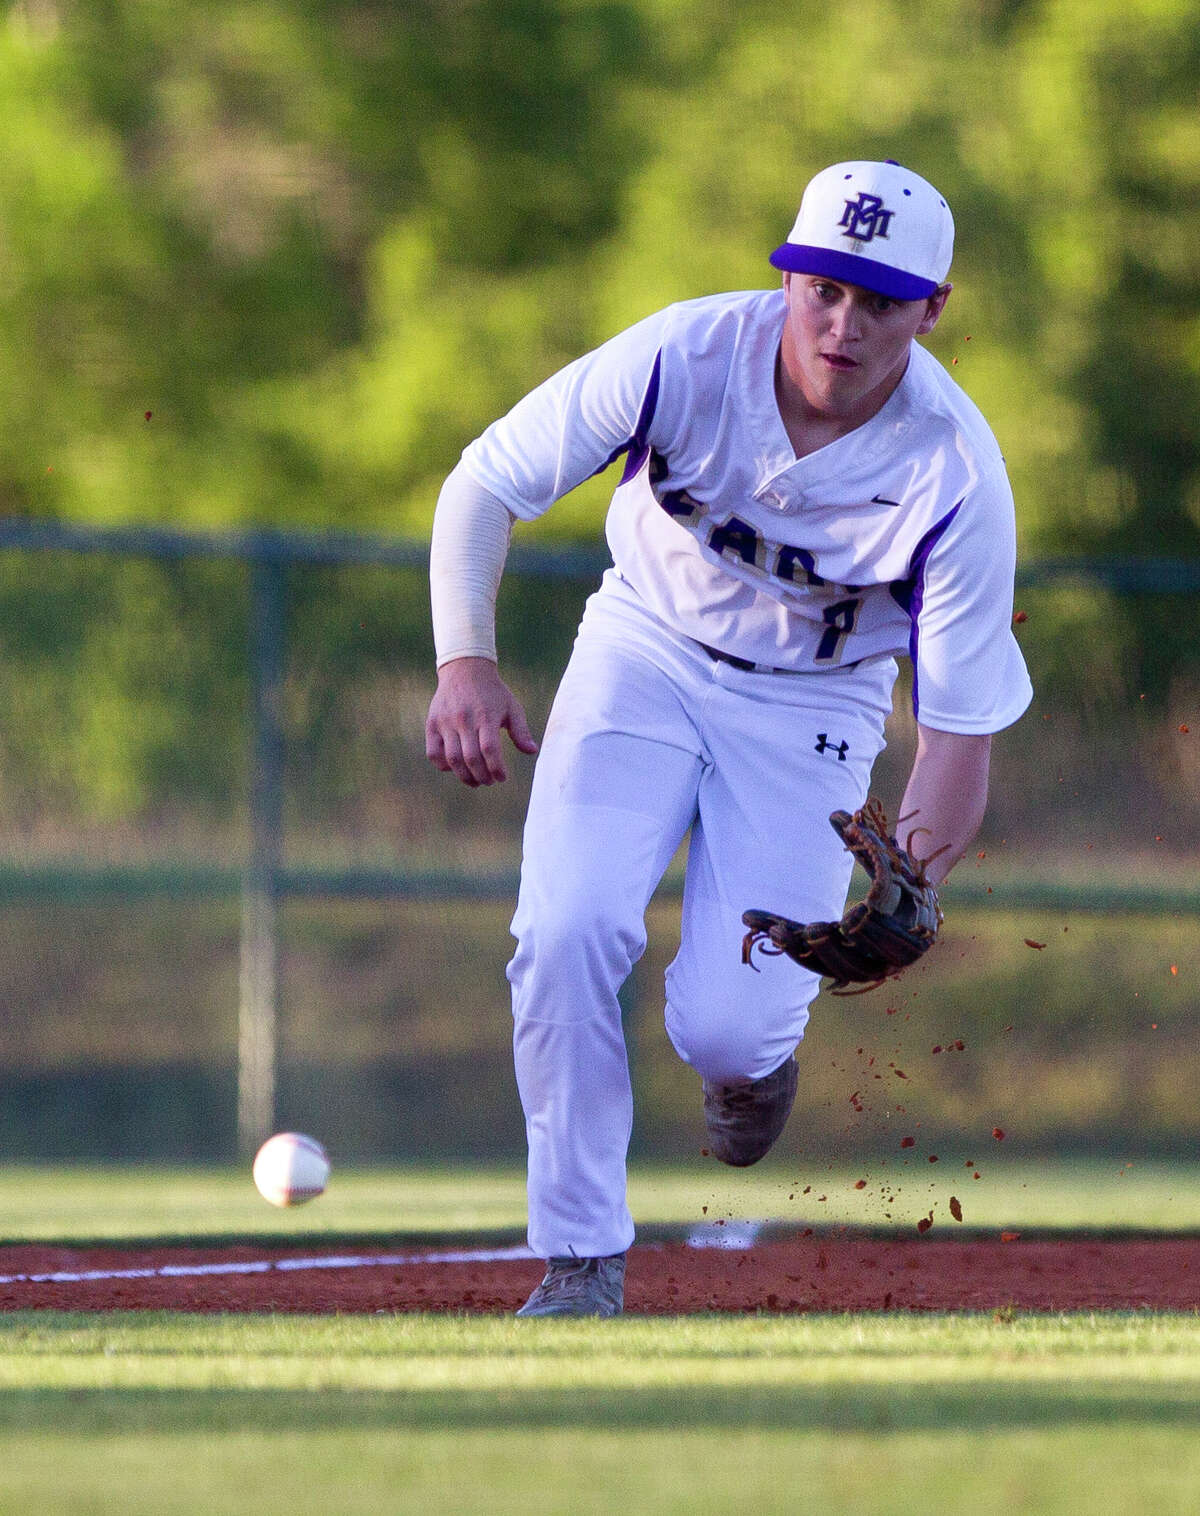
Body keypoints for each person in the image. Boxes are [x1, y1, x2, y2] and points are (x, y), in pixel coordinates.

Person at [424, 159, 1032, 1318]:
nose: (843, 324)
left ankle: (752, 1074)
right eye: (823, 288)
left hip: (815, 703)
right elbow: (485, 482)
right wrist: (466, 661)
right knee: (565, 929)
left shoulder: (955, 469)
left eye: (881, 300)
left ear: (934, 307)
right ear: (788, 274)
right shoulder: (682, 355)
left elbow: (958, 728)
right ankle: (581, 1259)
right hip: (641, 651)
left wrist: (915, 879)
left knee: (727, 1026)